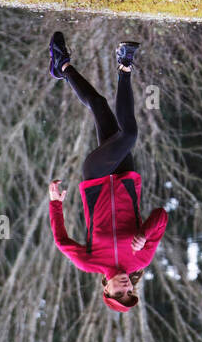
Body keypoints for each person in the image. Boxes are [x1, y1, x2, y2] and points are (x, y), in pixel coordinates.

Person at [46, 33, 167, 312]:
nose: (125, 288)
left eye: (118, 293)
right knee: (99, 105)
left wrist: (55, 204)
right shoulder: (141, 258)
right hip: (126, 178)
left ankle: (125, 64)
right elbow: (161, 216)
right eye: (129, 291)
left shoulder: (90, 262)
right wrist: (145, 233)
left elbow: (62, 242)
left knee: (129, 135)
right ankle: (62, 66)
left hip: (97, 179)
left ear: (106, 289)